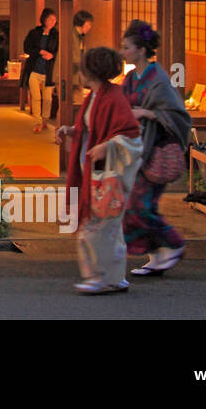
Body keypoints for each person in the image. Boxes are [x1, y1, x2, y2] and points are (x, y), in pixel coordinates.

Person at [56, 46, 143, 295]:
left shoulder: (113, 98)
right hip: (95, 173)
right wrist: (71, 130)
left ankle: (100, 277)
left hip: (105, 176)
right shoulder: (97, 96)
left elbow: (131, 135)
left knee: (96, 228)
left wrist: (107, 146)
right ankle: (114, 277)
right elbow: (91, 127)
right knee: (108, 228)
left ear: (90, 71)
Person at [120, 19, 191, 276]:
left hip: (155, 150)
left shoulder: (159, 79)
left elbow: (177, 115)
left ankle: (173, 243)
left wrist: (148, 113)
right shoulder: (129, 78)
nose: (123, 52)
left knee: (137, 205)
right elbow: (120, 105)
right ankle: (158, 254)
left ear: (140, 49)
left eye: (126, 47)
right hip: (135, 149)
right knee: (138, 205)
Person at [23, 8, 59, 134]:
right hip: (34, 69)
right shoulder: (34, 33)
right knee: (36, 97)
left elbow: (59, 51)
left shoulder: (56, 35)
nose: (52, 22)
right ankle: (37, 121)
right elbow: (27, 47)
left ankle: (45, 120)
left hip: (49, 71)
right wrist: (40, 51)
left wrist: (52, 55)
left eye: (54, 19)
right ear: (44, 19)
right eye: (50, 19)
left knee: (48, 98)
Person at [70, 10, 94, 106]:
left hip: (77, 75)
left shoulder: (80, 36)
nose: (89, 27)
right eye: (88, 24)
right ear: (81, 23)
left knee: (78, 103)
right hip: (69, 74)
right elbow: (74, 57)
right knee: (68, 106)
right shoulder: (71, 35)